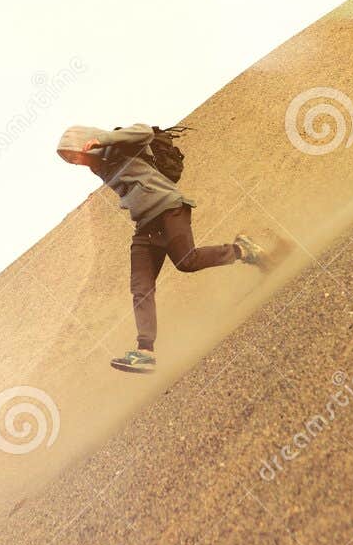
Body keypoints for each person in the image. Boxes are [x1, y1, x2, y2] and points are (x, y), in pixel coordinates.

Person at [56, 124, 263, 373]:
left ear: (83, 142)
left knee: (186, 261)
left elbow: (144, 132)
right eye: (68, 159)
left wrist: (102, 139)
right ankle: (145, 352)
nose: (73, 161)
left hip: (168, 209)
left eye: (71, 154)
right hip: (145, 226)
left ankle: (241, 249)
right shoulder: (99, 167)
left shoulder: (117, 145)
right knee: (141, 287)